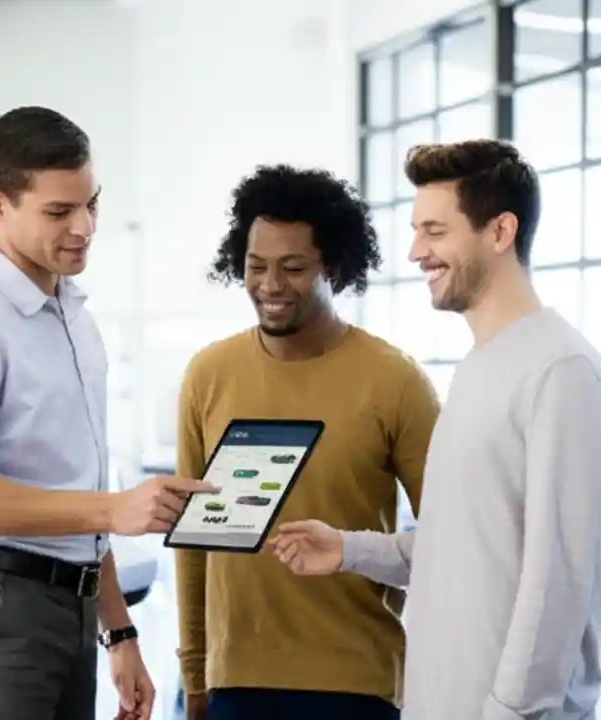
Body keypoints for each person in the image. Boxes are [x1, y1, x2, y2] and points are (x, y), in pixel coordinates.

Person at [267, 140, 601, 720]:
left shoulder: (562, 371)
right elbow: (468, 547)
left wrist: (511, 712)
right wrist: (350, 549)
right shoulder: (481, 366)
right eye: (415, 230)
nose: (414, 251)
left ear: (500, 231)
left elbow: (557, 578)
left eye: (434, 231)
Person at [0, 105, 215, 720]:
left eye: (91, 203)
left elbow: (72, 489)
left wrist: (119, 632)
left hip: (70, 609)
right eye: (58, 211)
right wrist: (116, 509)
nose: (85, 227)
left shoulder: (75, 320)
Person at [173, 164, 441, 720]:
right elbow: (194, 546)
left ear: (334, 267)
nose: (271, 286)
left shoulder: (395, 381)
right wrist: (194, 673)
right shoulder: (209, 374)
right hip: (236, 679)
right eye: (256, 267)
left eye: (294, 268)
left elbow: (451, 545)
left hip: (357, 682)